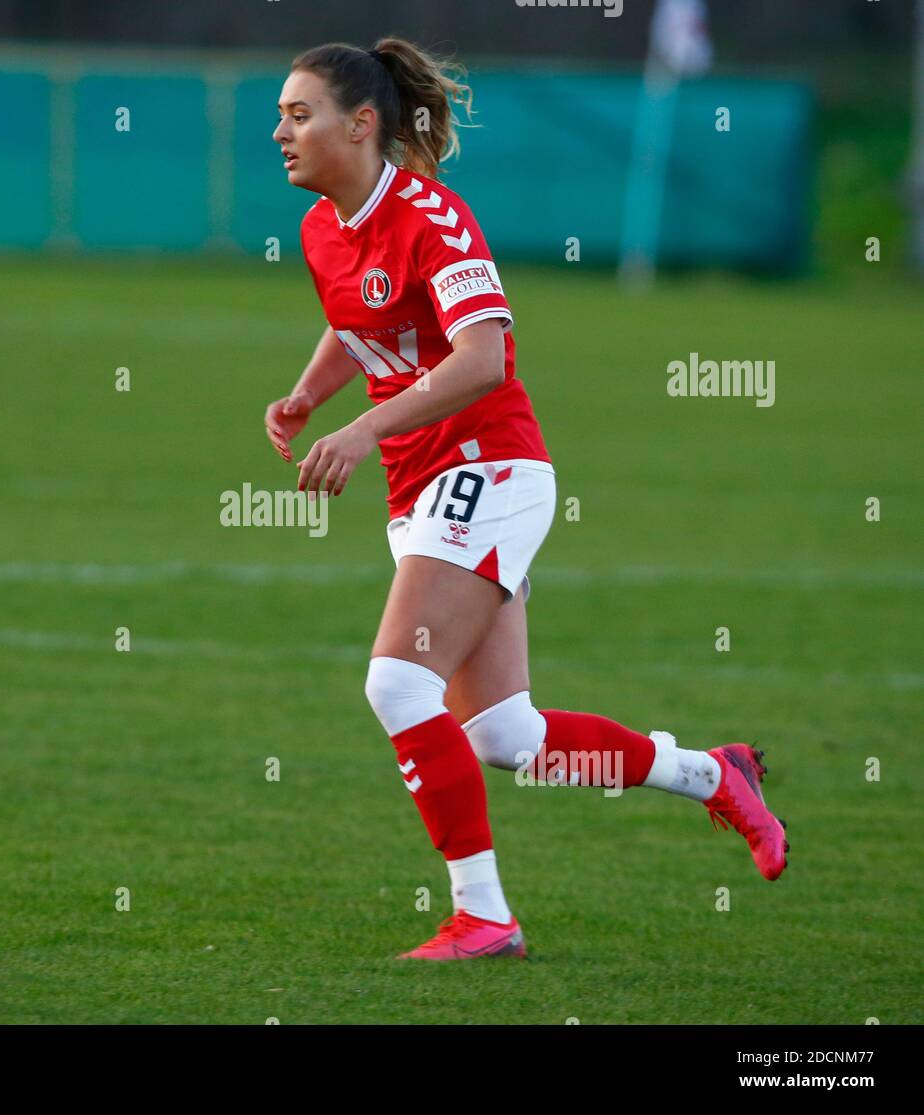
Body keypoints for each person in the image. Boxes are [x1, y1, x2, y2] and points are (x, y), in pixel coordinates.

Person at [266, 38, 788, 961]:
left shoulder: (434, 218)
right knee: (509, 735)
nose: (281, 132)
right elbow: (361, 323)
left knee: (396, 682)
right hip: (421, 486)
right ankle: (714, 773)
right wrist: (312, 393)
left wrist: (358, 433)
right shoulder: (321, 227)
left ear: (363, 123)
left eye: (299, 114)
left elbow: (483, 360)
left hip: (490, 467)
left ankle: (485, 915)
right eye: (281, 115)